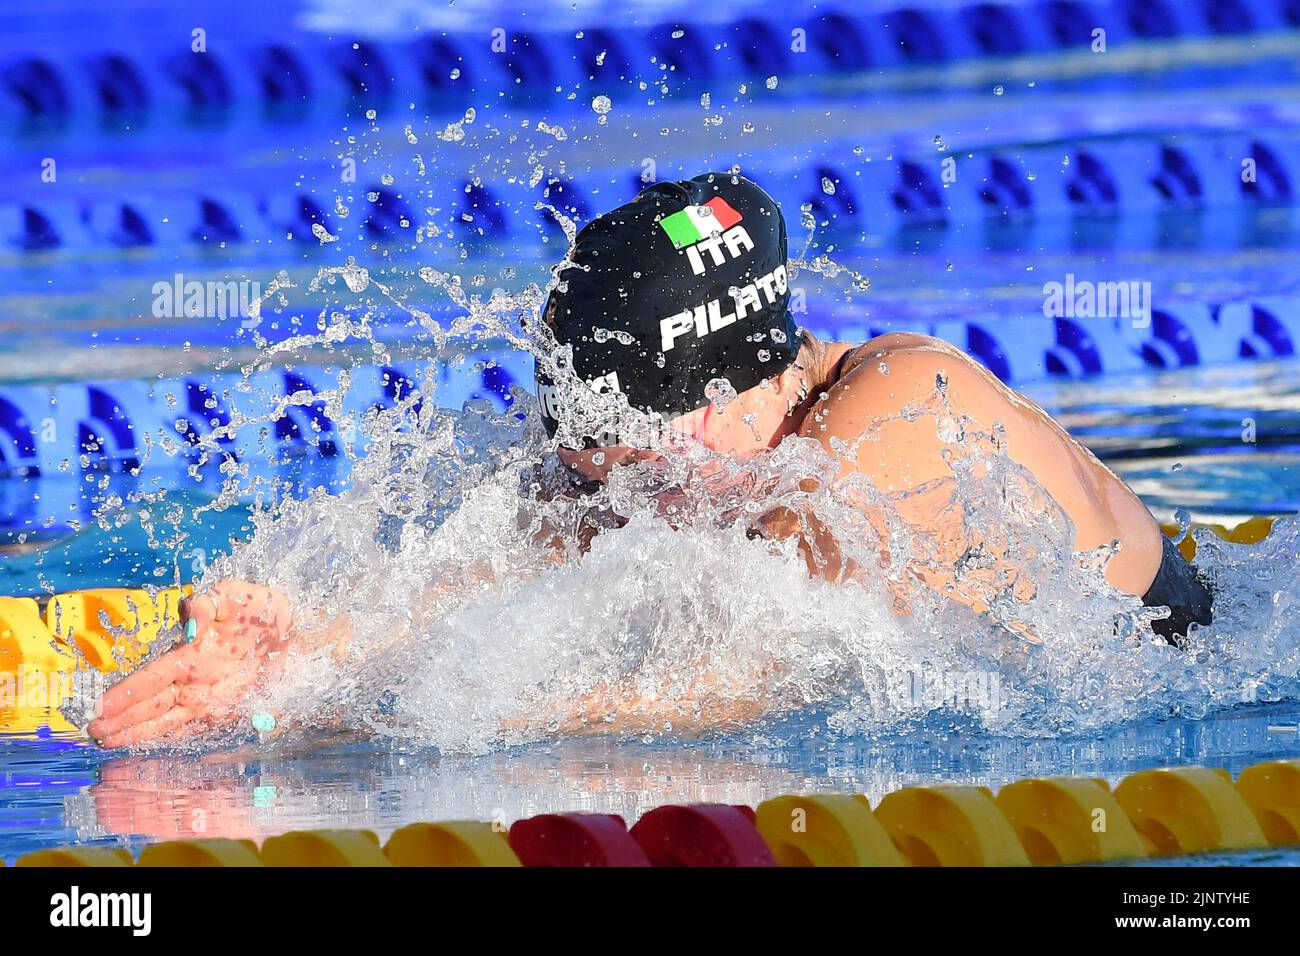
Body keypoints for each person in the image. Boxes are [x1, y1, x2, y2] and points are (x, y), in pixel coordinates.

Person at [87, 173, 1212, 749]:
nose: (609, 497)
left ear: (717, 408)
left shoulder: (901, 417)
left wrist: (355, 732)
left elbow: (733, 679)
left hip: (1183, 706)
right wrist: (295, 663)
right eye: (586, 468)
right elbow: (456, 595)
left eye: (625, 465)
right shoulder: (636, 461)